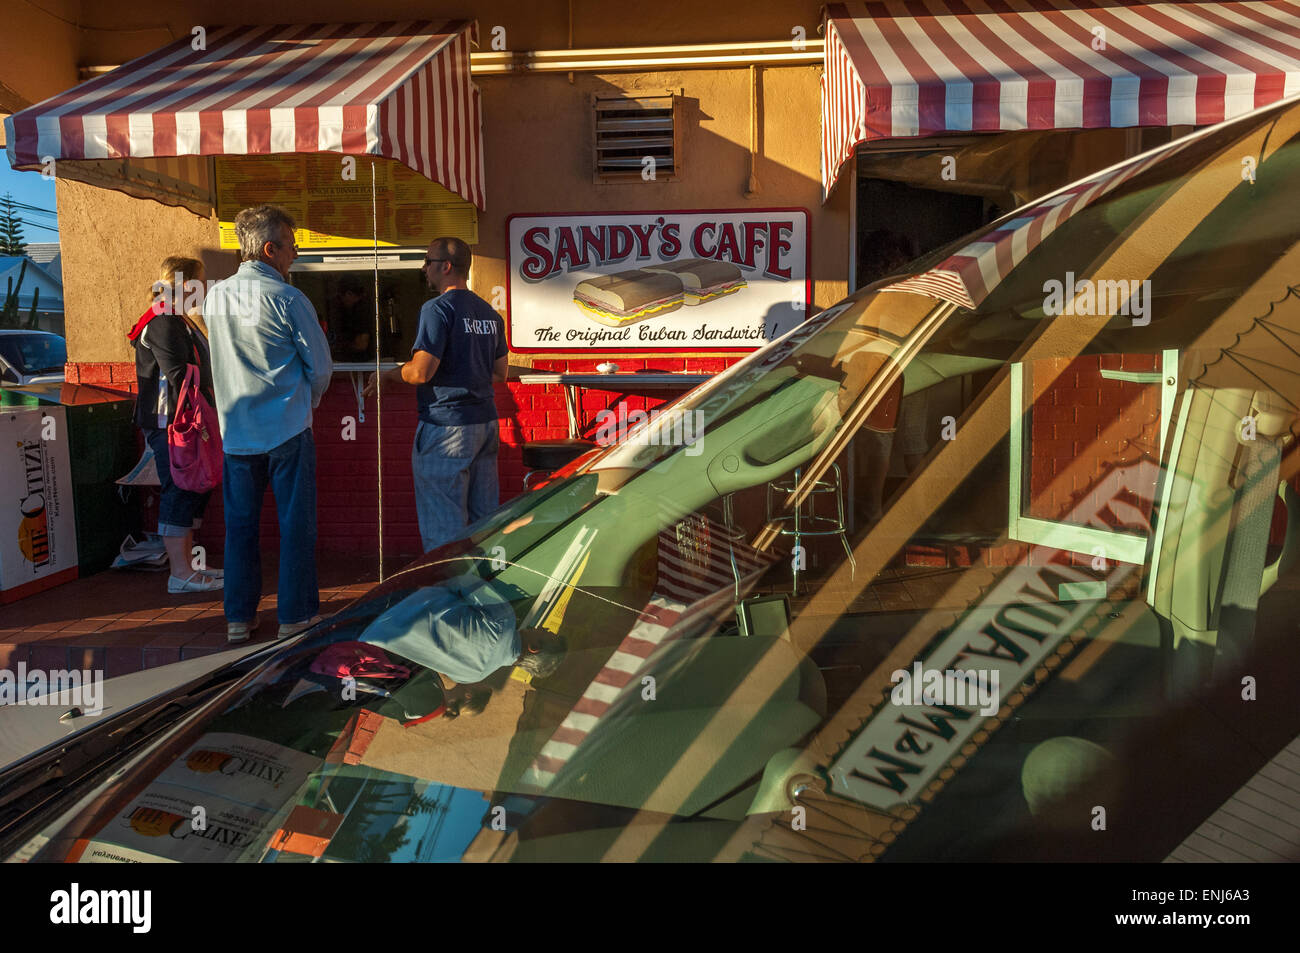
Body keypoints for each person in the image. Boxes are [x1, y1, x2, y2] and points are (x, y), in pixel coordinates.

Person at [203, 205, 333, 643]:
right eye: (292, 246)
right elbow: (320, 367)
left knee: (240, 527)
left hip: (237, 434)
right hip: (287, 430)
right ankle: (294, 616)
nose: (294, 255)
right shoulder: (288, 298)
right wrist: (306, 404)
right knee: (295, 524)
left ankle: (239, 617)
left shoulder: (214, 297)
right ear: (269, 248)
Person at [365, 237, 507, 552]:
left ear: (445, 266)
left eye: (428, 261)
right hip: (485, 424)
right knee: (483, 525)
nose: (424, 269)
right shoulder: (489, 313)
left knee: (444, 530)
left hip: (447, 427)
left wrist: (387, 376)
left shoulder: (437, 309)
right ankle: (482, 593)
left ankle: (451, 595)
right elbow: (500, 373)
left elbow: (420, 372)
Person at [127, 256, 223, 594]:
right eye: (200, 282)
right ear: (184, 283)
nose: (204, 289)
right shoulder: (163, 320)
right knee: (180, 486)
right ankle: (180, 573)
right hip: (171, 422)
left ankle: (192, 567)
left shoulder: (179, 318)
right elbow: (179, 374)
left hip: (185, 419)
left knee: (194, 486)